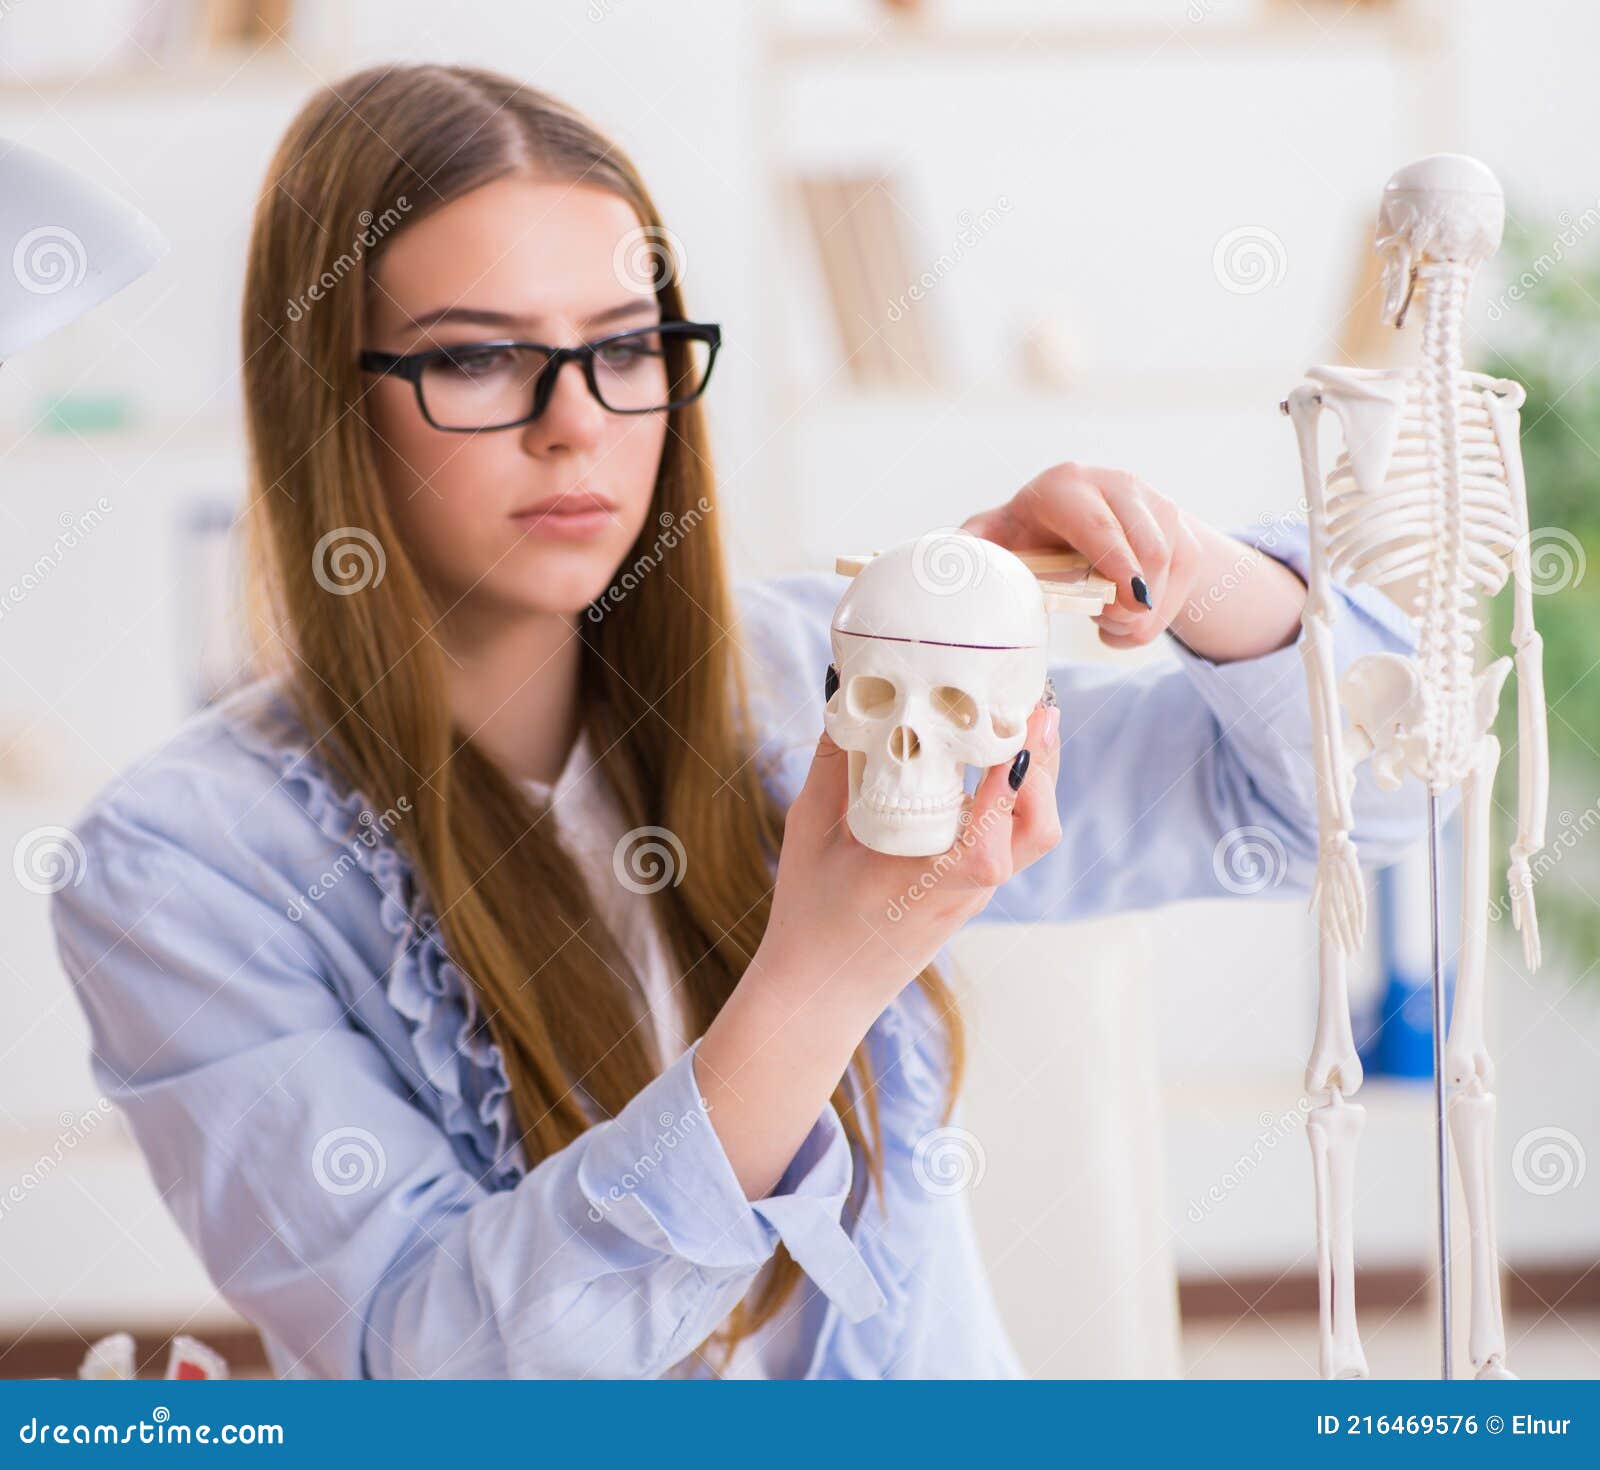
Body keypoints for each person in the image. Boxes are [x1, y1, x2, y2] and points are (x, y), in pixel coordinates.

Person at [50, 62, 1424, 1379]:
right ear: (326, 398)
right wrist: (819, 978)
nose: (577, 423)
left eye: (626, 348)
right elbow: (439, 1367)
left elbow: (1364, 796)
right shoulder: (183, 864)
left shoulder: (809, 677)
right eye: (476, 359)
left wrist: (1188, 575)